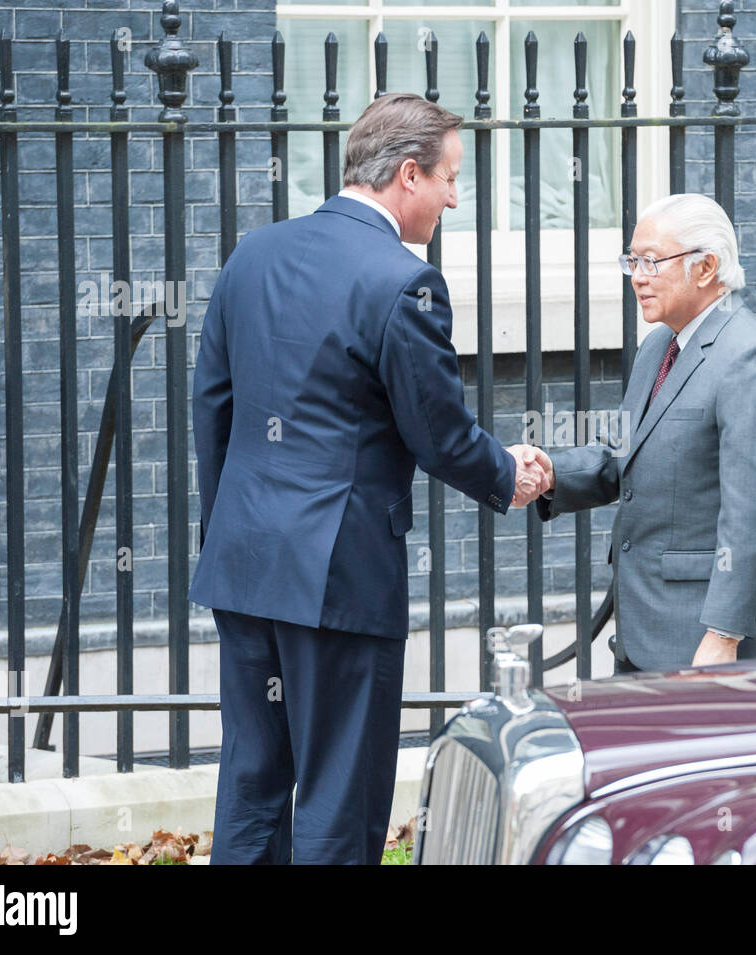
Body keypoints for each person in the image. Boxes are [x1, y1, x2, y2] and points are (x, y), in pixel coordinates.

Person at [190, 92, 549, 864]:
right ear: (408, 175)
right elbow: (439, 433)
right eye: (452, 177)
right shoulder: (403, 280)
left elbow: (212, 407)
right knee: (339, 796)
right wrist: (507, 473)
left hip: (245, 564)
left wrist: (225, 531)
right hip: (337, 579)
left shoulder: (253, 253)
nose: (456, 197)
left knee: (250, 783)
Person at [520, 193, 756, 673]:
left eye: (652, 261)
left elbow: (754, 516)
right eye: (632, 260)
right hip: (644, 629)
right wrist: (550, 472)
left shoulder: (752, 360)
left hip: (707, 642)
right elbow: (624, 453)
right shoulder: (659, 345)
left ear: (705, 267)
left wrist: (723, 636)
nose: (637, 275)